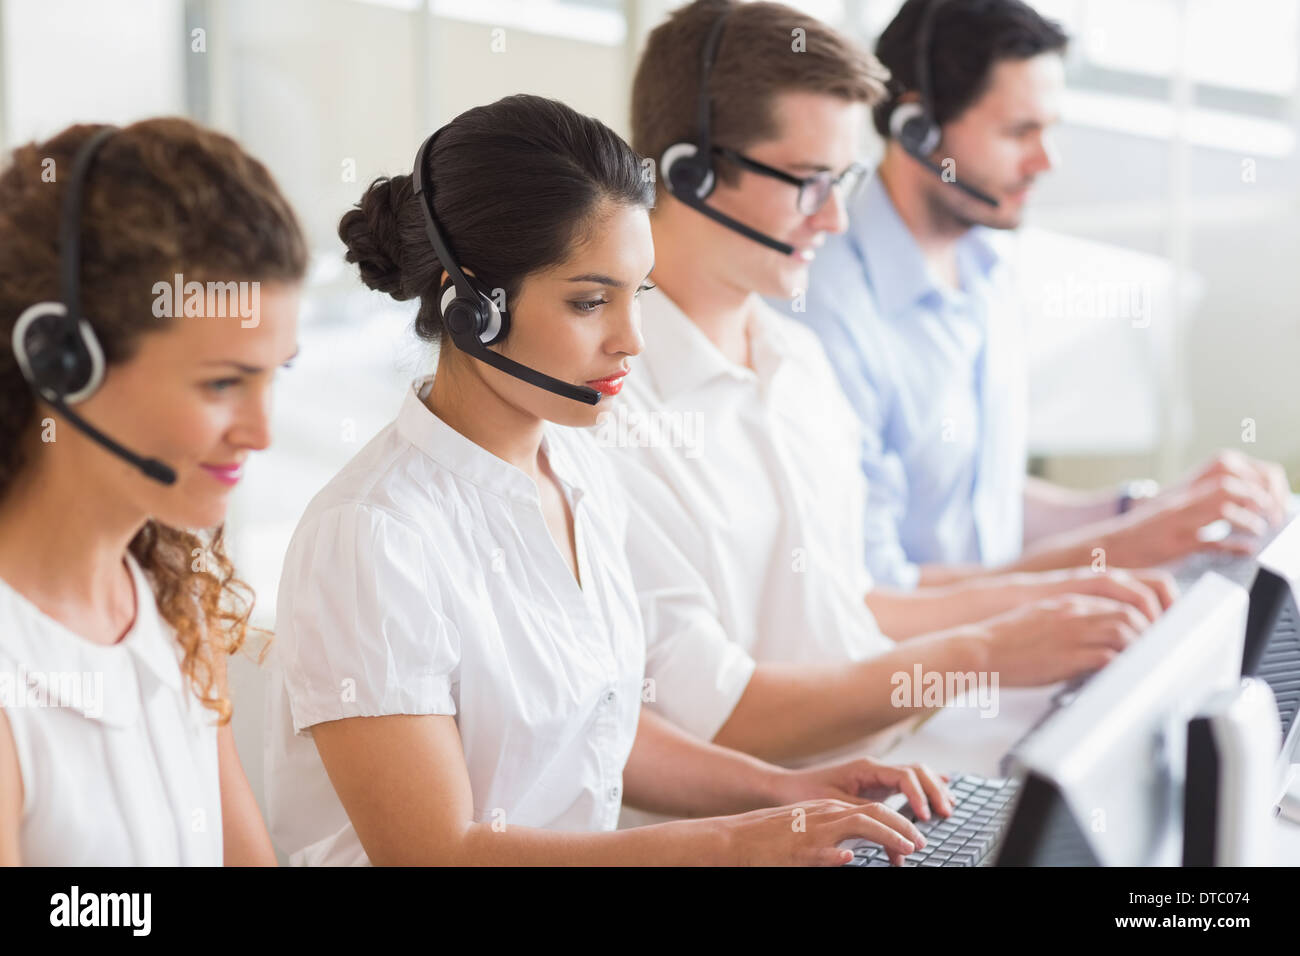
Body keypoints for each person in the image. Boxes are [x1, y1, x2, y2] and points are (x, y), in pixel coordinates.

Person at [264, 93, 950, 867]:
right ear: (474, 312)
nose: (632, 340)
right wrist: (730, 845)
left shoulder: (579, 465)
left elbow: (597, 731)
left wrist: (785, 793)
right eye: (591, 301)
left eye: (639, 294)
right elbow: (438, 853)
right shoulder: (374, 537)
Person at [604, 0, 1174, 770]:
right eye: (809, 182)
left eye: (843, 181)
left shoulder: (794, 361)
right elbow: (716, 717)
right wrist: (979, 654)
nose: (837, 220)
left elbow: (849, 612)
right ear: (691, 174)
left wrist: (1068, 603)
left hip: (890, 774)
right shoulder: (610, 411)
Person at [787, 0, 1293, 592]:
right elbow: (873, 596)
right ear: (914, 127)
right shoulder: (824, 314)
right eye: (1019, 131)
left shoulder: (985, 264)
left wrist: (1147, 509)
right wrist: (1129, 546)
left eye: (1050, 128)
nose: (1047, 160)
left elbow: (976, 499)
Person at [0, 119, 304, 865]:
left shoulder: (174, 602)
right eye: (223, 382)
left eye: (276, 374)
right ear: (64, 362)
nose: (261, 433)